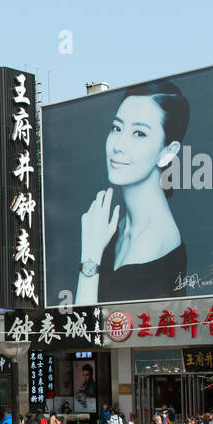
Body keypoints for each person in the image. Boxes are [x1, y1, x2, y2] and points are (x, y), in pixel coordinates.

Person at [74, 80, 190, 304]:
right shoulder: (116, 227)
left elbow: (87, 331)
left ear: (168, 151)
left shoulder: (155, 244)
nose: (118, 145)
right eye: (117, 128)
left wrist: (89, 256)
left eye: (139, 133)